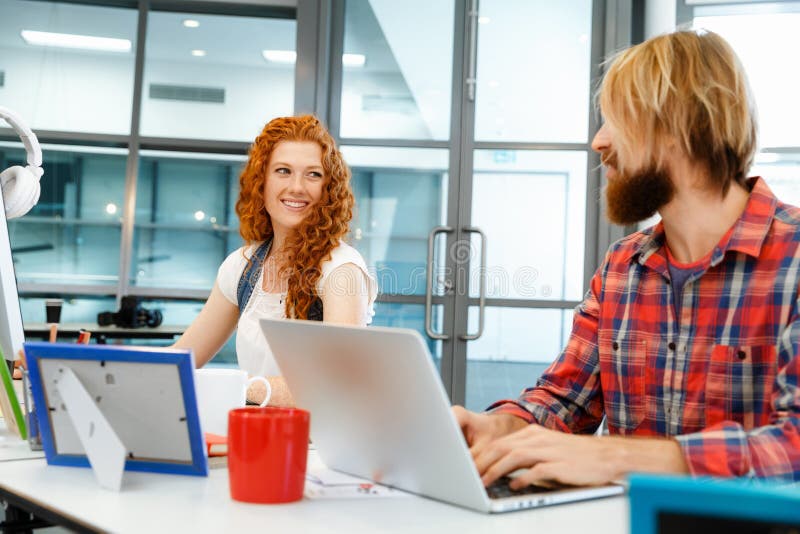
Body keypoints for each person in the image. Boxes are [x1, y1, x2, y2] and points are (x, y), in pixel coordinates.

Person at [455, 29, 800, 487]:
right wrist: (500, 426)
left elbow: (793, 445)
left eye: (615, 120)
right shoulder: (622, 266)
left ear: (679, 127)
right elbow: (567, 400)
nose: (598, 142)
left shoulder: (793, 259)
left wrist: (619, 457)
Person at [173, 115, 377, 406]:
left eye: (313, 174)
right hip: (257, 435)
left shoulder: (341, 270)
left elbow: (337, 382)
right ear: (261, 181)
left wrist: (237, 388)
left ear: (329, 189)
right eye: (283, 171)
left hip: (318, 446)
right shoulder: (242, 266)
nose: (297, 187)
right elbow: (182, 358)